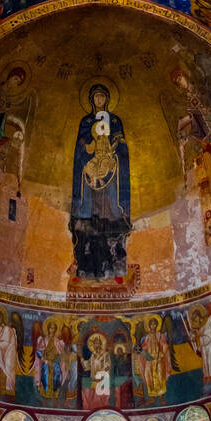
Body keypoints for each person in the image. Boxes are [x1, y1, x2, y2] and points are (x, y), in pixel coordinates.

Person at [69, 85, 131, 281]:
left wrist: (115, 149)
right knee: (89, 216)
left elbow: (122, 146)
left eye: (102, 96)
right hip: (90, 172)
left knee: (109, 212)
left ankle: (115, 265)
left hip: (110, 171)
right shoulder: (86, 122)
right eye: (95, 97)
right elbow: (80, 149)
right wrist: (88, 147)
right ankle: (85, 266)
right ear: (91, 99)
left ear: (107, 99)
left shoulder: (114, 121)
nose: (99, 100)